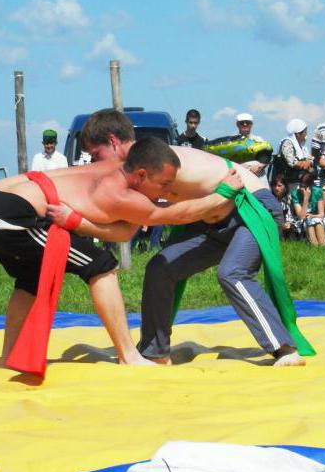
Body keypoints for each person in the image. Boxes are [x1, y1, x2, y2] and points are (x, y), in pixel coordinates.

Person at [0, 135, 241, 369]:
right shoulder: (119, 194)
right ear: (141, 174)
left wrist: (76, 221)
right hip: (8, 216)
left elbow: (124, 232)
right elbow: (175, 215)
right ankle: (129, 355)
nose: (166, 192)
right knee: (101, 265)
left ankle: (9, 357)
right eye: (164, 185)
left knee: (31, 278)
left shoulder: (114, 167)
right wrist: (221, 194)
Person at [74, 109, 307, 367]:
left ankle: (284, 349)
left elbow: (156, 217)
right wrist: (73, 221)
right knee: (159, 268)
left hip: (251, 207)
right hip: (215, 217)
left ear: (113, 141)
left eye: (96, 154)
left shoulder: (153, 160)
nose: (95, 163)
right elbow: (127, 227)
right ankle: (155, 352)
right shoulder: (137, 170)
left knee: (233, 272)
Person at [273, 118, 314, 191]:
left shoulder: (302, 146)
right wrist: (305, 164)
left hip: (299, 181)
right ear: (298, 134)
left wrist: (308, 163)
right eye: (304, 132)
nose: (306, 134)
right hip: (288, 182)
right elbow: (292, 162)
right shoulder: (287, 143)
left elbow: (310, 159)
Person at [291, 172, 325, 246]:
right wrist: (306, 199)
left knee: (315, 221)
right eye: (301, 185)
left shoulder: (318, 191)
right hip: (302, 221)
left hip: (317, 219)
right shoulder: (295, 194)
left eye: (305, 186)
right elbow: (301, 217)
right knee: (309, 221)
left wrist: (312, 216)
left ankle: (322, 246)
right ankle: (315, 246)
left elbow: (322, 214)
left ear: (311, 186)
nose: (302, 188)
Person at [233, 112, 269, 180]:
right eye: (242, 122)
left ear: (251, 124)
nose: (245, 124)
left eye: (247, 122)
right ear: (237, 125)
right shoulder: (232, 141)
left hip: (258, 177)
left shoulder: (259, 140)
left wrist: (259, 167)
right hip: (240, 176)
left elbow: (268, 157)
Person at [270, 174, 299, 240]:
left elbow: (291, 214)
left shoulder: (290, 198)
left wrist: (289, 222)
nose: (276, 188)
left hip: (289, 223)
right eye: (274, 186)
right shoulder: (270, 198)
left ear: (285, 186)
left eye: (279, 186)